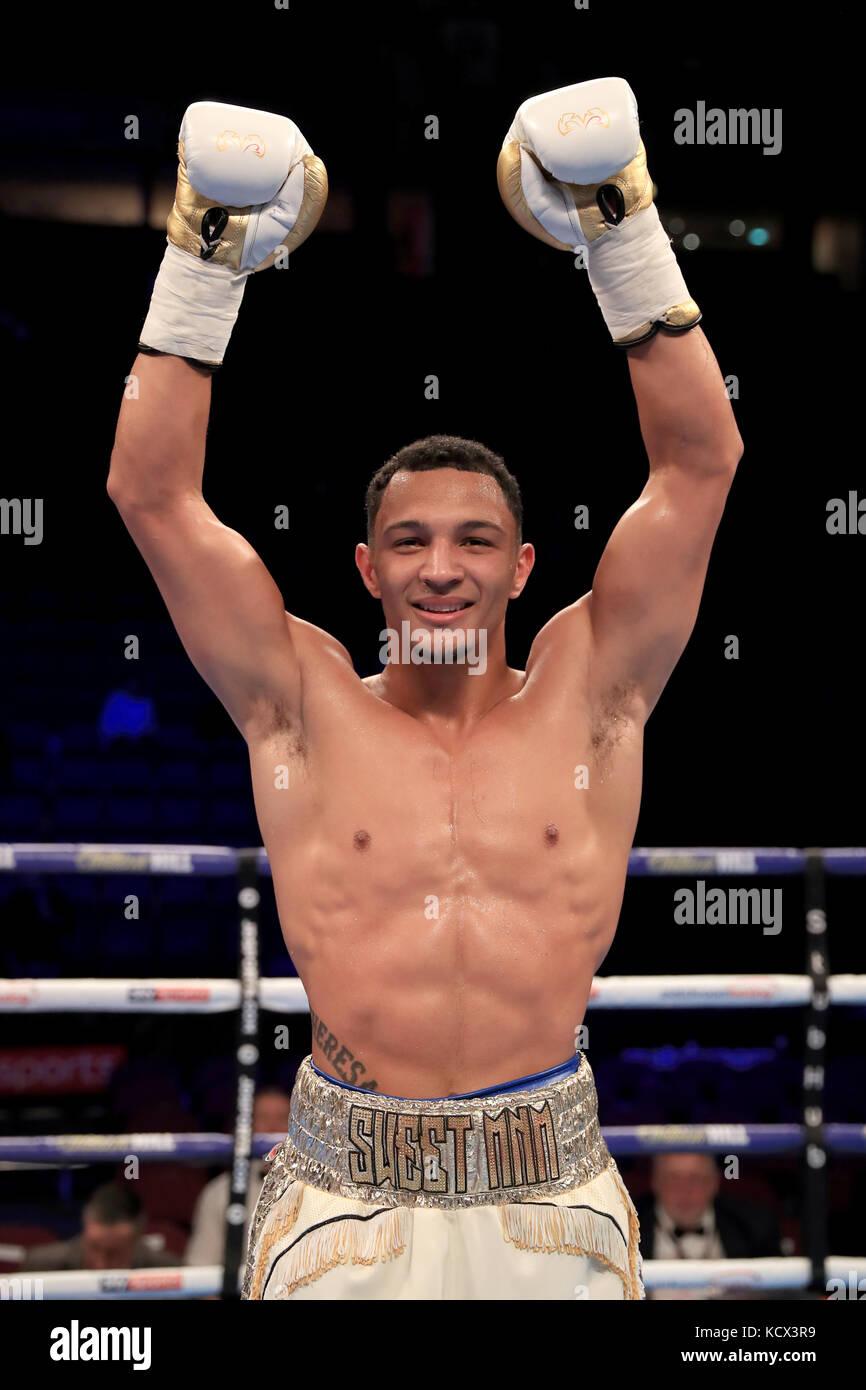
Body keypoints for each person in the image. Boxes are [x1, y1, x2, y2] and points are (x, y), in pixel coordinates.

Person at [108, 79, 743, 1300]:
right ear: (364, 567)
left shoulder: (594, 689)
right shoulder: (295, 701)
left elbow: (701, 460)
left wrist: (619, 224)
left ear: (521, 565)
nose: (439, 569)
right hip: (348, 1201)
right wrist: (204, 252)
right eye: (407, 541)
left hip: (547, 1194)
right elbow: (151, 494)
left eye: (471, 540)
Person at [635, 1153, 783, 1300]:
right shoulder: (625, 1228)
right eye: (673, 1178)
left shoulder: (753, 1225)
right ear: (655, 1182)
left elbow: (781, 1289)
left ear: (714, 1182)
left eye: (695, 1178)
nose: (685, 1191)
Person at [185, 1088, 291, 1268]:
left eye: (283, 1119)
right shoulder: (220, 1192)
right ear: (247, 1129)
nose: (273, 1128)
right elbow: (201, 1265)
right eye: (263, 1119)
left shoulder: (323, 1190)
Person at [19, 1182, 180, 1271]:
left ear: (137, 1238)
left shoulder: (169, 1271)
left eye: (114, 1253)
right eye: (93, 1247)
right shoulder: (41, 1266)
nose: (100, 1264)